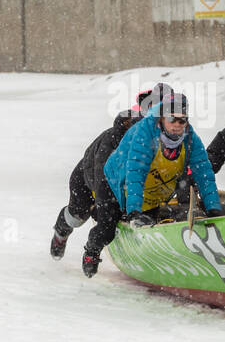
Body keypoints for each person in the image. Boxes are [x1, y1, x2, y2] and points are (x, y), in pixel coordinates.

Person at [83, 92, 223, 278]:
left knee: (150, 230)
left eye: (182, 121)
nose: (177, 125)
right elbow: (135, 173)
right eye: (172, 119)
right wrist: (133, 211)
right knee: (107, 230)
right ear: (162, 117)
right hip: (116, 184)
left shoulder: (190, 139)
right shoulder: (144, 133)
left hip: (152, 190)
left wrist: (213, 208)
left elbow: (204, 173)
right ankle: (91, 252)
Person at [49, 83, 174, 260]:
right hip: (89, 179)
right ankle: (60, 234)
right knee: (77, 216)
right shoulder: (116, 140)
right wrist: (108, 214)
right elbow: (105, 180)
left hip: (125, 185)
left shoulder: (171, 133)